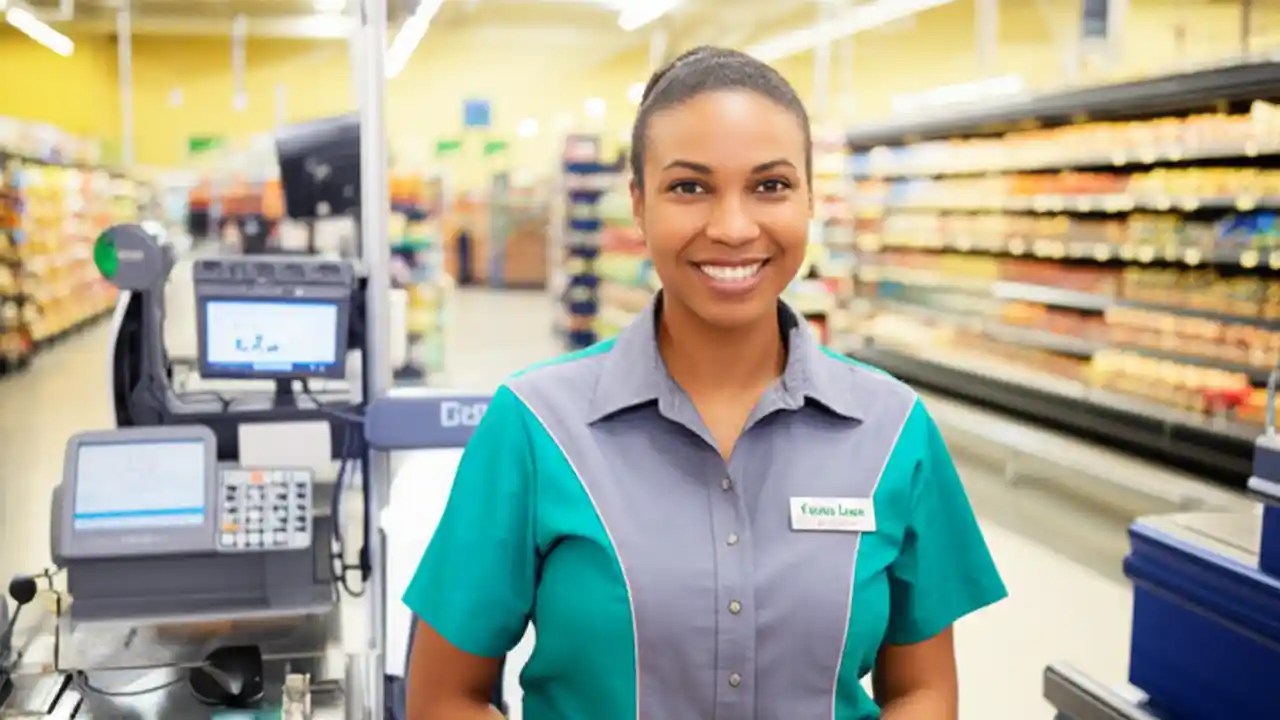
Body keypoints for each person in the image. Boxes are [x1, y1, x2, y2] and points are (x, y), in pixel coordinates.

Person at [403, 46, 1007, 719]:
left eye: (770, 186)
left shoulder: (893, 430)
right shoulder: (537, 426)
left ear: (811, 198)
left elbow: (922, 690)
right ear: (638, 203)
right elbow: (442, 697)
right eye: (689, 187)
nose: (732, 227)